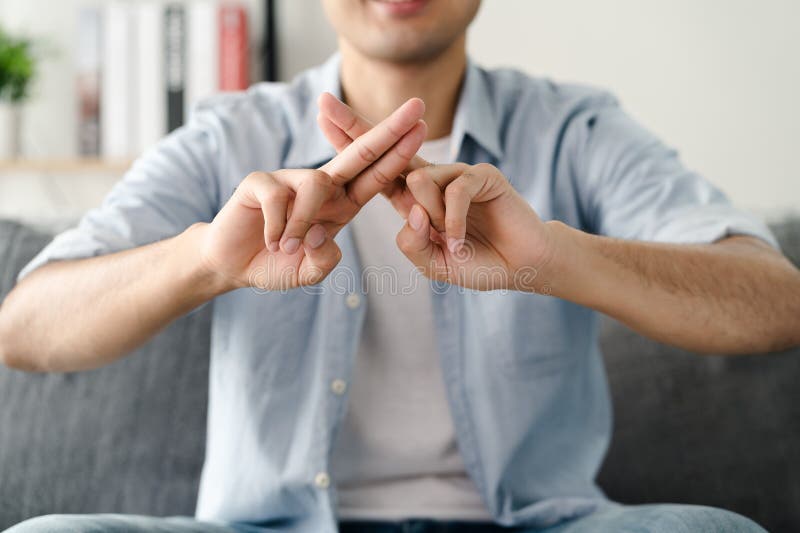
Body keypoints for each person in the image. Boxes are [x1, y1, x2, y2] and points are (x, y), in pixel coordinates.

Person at [1, 0, 798, 531]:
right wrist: (203, 258)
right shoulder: (227, 137)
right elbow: (25, 324)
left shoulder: (574, 131)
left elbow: (777, 300)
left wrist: (555, 257)